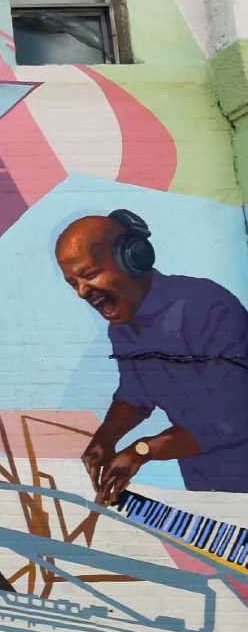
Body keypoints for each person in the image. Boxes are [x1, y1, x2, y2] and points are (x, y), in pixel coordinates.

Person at [60, 211, 248, 498]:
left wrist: (142, 451)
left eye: (89, 275)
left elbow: (233, 417)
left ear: (133, 258)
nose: (83, 292)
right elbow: (136, 395)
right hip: (206, 484)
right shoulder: (122, 330)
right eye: (73, 283)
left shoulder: (206, 306)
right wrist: (105, 437)